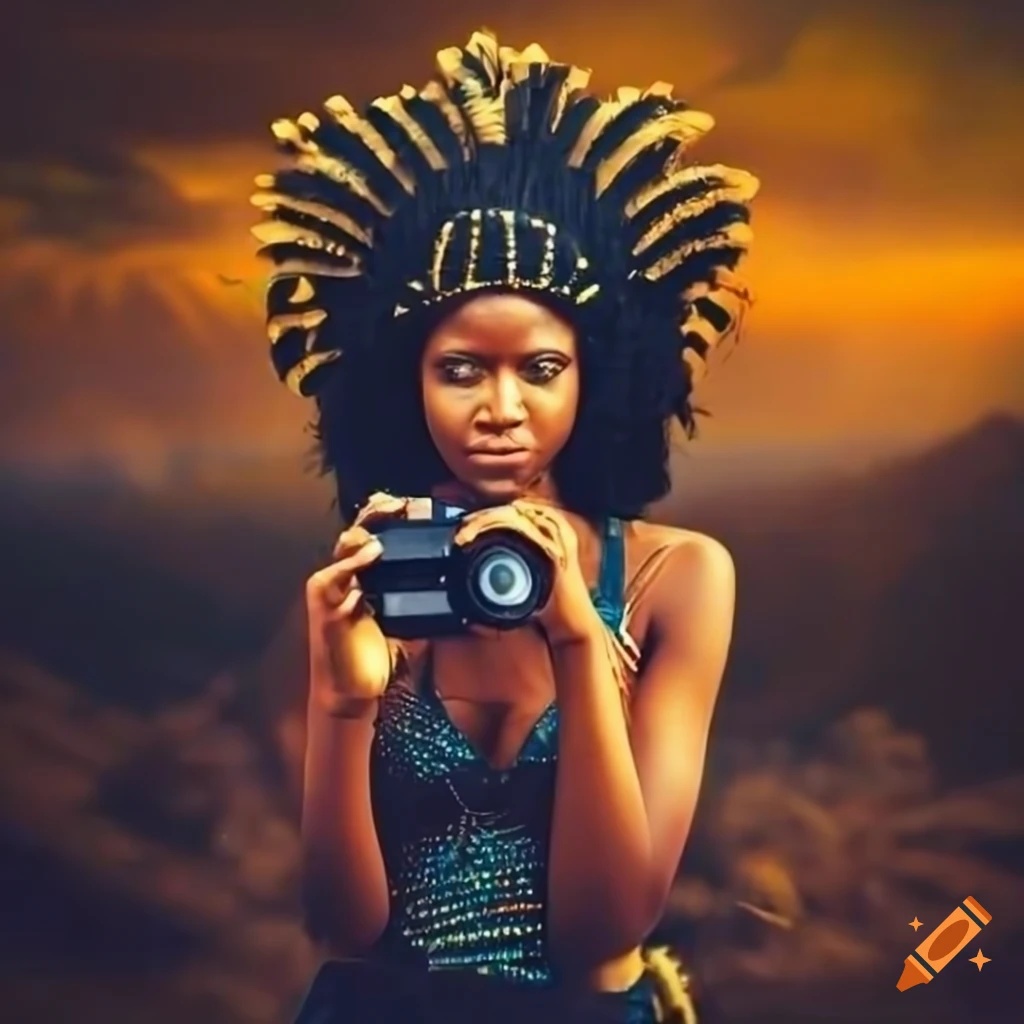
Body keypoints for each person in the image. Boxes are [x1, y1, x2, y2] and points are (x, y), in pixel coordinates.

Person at [251, 27, 758, 1024]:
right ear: (411, 383)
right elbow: (344, 929)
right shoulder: (376, 573)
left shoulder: (676, 577)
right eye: (459, 369)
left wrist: (575, 637)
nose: (499, 406)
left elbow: (606, 925)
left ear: (591, 376)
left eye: (538, 367)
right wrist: (343, 702)